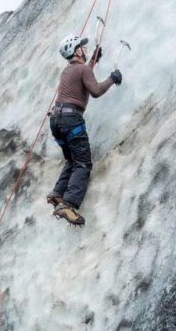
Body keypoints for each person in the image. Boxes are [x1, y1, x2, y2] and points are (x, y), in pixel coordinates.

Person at [47, 35, 122, 226]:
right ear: (77, 51)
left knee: (72, 159)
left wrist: (94, 60)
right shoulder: (81, 69)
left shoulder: (68, 71)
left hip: (56, 120)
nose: (85, 48)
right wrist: (112, 78)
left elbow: (83, 74)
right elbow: (95, 90)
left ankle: (57, 193)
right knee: (83, 163)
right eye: (82, 46)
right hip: (71, 120)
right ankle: (68, 204)